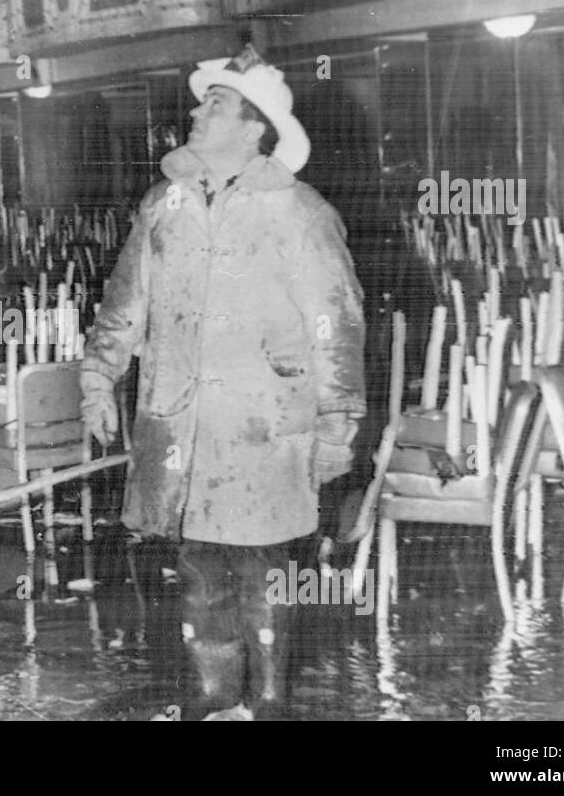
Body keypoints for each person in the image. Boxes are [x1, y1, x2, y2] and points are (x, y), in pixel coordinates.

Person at [80, 45, 366, 721]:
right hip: (182, 422)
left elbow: (337, 324)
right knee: (201, 560)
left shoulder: (299, 212)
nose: (196, 113)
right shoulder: (164, 204)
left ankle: (266, 699)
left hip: (264, 425)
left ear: (255, 127)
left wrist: (337, 426)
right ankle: (212, 695)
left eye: (215, 105)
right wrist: (97, 378)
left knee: (262, 565)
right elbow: (125, 302)